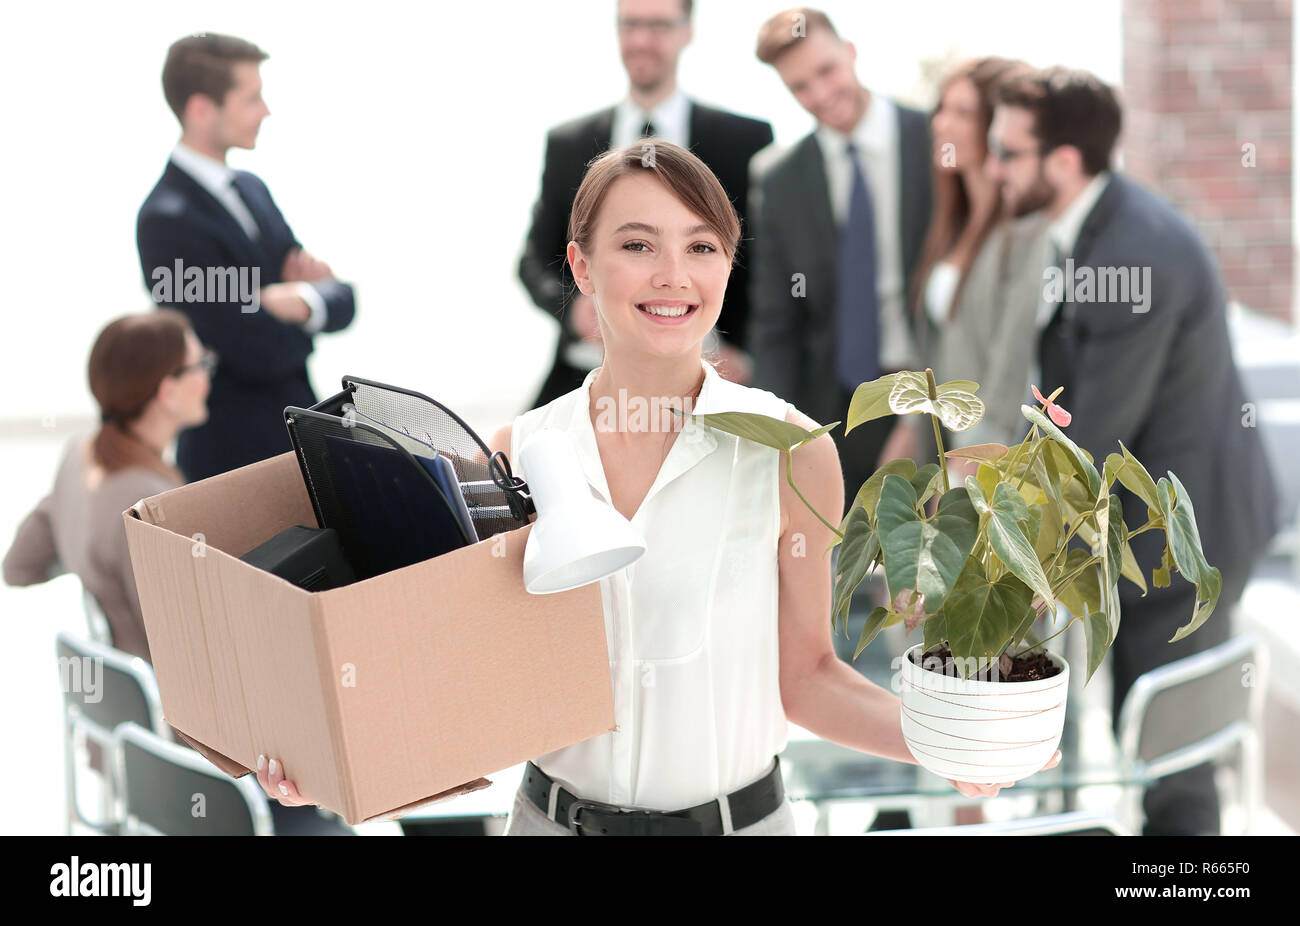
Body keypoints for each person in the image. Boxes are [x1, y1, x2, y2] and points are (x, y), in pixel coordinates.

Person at [255, 141, 1059, 834]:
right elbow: (466, 685)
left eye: (702, 247)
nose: (673, 276)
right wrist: (323, 757)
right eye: (637, 245)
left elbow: (807, 675)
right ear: (580, 265)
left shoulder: (790, 450)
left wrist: (948, 741)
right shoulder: (517, 454)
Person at [987, 67, 1280, 835]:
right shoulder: (1100, 227)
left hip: (1183, 544)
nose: (990, 168)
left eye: (1007, 153)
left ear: (1062, 162)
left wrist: (996, 533)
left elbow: (1091, 431)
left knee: (1170, 765)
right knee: (1146, 741)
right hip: (1156, 531)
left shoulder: (1133, 254)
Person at [519, 0, 773, 407]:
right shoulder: (567, 144)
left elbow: (767, 262)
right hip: (581, 372)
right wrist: (573, 310)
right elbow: (533, 261)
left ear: (687, 31)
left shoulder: (744, 140)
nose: (641, 39)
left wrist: (745, 349)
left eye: (657, 25)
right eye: (630, 25)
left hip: (711, 371)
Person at [137, 33, 356, 484]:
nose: (266, 111)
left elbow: (344, 301)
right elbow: (256, 350)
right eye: (251, 98)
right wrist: (302, 306)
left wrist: (295, 301)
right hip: (233, 456)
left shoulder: (253, 189)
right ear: (201, 109)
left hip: (303, 436)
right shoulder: (164, 218)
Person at [748, 7, 932, 506]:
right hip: (834, 409)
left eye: (827, 71)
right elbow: (776, 321)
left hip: (934, 392)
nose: (822, 95)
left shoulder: (935, 140)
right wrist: (775, 437)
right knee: (838, 567)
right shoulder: (780, 177)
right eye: (800, 87)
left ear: (851, 53)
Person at [4, 311, 210, 662]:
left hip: (122, 688)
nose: (207, 376)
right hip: (173, 703)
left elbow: (19, 566)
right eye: (200, 364)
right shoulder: (148, 501)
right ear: (168, 392)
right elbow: (185, 646)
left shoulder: (78, 455)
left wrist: (91, 567)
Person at [911, 56, 1052, 456]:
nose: (941, 124)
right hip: (944, 450)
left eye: (962, 113)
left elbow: (1011, 373)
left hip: (991, 465)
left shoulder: (1026, 231)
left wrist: (965, 474)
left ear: (996, 128)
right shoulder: (952, 221)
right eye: (942, 108)